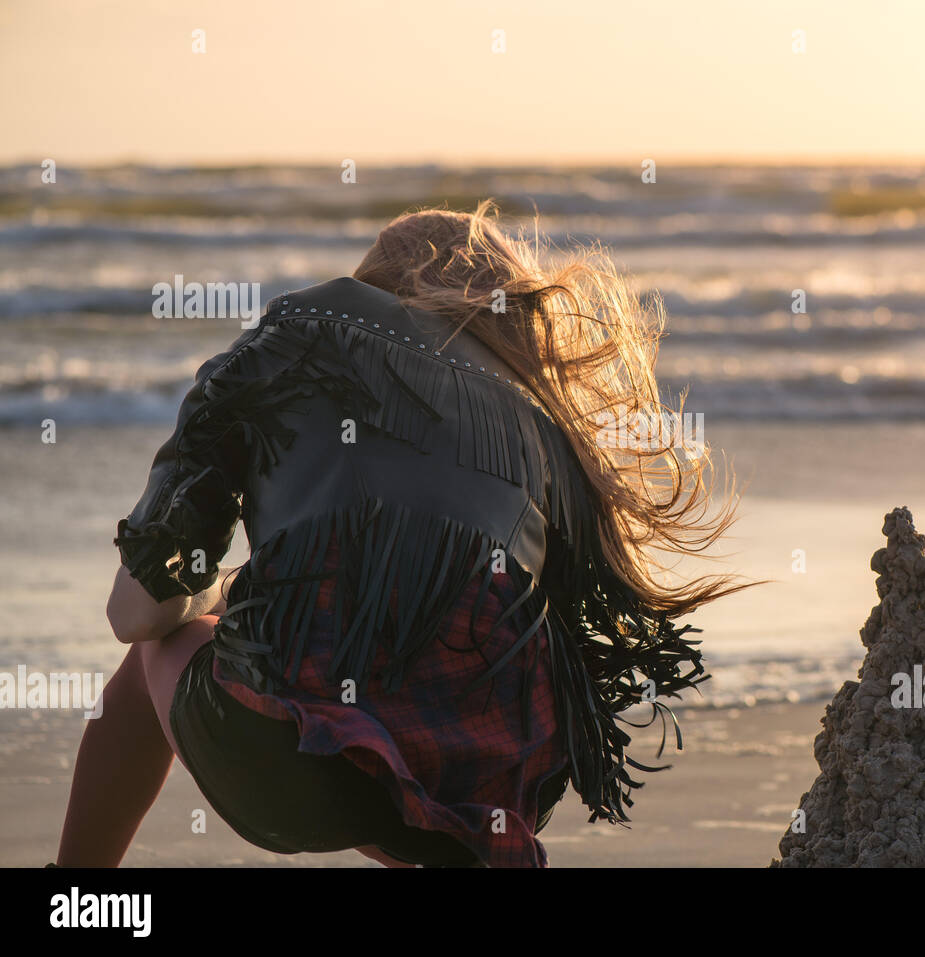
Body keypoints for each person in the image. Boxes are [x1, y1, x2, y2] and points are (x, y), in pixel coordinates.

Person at [54, 203, 748, 868]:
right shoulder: (545, 431)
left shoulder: (298, 329)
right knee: (407, 696)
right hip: (495, 793)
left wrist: (221, 591)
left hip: (281, 760)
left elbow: (136, 610)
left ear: (383, 282)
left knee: (158, 648)